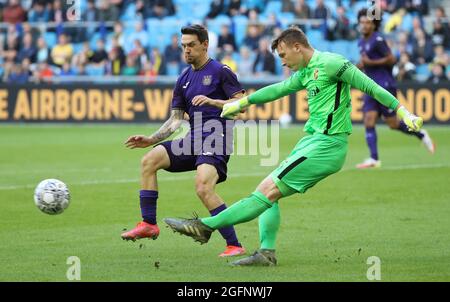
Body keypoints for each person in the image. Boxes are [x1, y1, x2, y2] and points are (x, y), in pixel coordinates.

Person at [164, 27, 425, 266]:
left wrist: (404, 113)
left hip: (327, 145)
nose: (282, 61)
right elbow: (278, 89)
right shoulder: (305, 73)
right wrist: (239, 104)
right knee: (268, 193)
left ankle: (205, 226)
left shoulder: (333, 63)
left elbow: (371, 87)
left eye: (283, 54)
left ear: (297, 47)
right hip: (311, 141)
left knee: (267, 191)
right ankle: (266, 253)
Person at [121, 25, 246, 257]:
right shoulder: (183, 78)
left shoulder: (221, 71)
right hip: (192, 138)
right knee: (149, 160)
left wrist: (213, 102)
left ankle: (235, 245)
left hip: (216, 138)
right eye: (183, 46)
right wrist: (151, 139)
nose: (186, 50)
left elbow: (242, 105)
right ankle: (149, 223)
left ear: (205, 44)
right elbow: (176, 119)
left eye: (191, 45)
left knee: (203, 187)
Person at [356, 8, 434, 169]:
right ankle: (374, 158)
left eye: (367, 22)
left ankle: (421, 134)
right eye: (362, 22)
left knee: (392, 123)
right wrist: (360, 66)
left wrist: (372, 63)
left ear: (373, 24)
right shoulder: (361, 41)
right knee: (368, 120)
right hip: (370, 85)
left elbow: (391, 59)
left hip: (384, 85)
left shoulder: (377, 39)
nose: (364, 25)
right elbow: (366, 61)